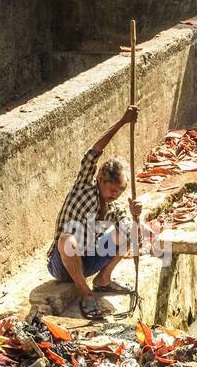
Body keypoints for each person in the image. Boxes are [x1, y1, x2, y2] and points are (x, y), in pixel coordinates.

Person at [49, 106, 143, 320]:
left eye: (120, 192)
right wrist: (122, 122)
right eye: (112, 189)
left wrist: (135, 215)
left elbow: (132, 234)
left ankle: (103, 279)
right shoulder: (84, 187)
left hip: (88, 260)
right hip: (62, 265)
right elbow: (92, 153)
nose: (115, 195)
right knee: (67, 239)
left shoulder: (114, 207)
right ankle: (86, 294)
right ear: (101, 179)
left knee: (132, 232)